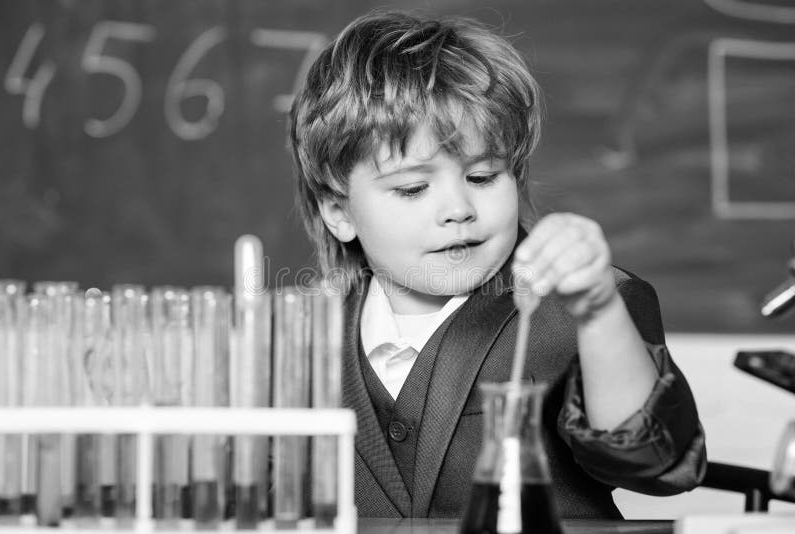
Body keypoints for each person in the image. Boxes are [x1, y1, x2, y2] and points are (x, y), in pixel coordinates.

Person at [288, 10, 706, 519]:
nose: (458, 208)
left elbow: (654, 464)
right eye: (413, 188)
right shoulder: (300, 338)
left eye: (484, 176)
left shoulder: (579, 310)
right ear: (338, 212)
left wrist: (598, 316)